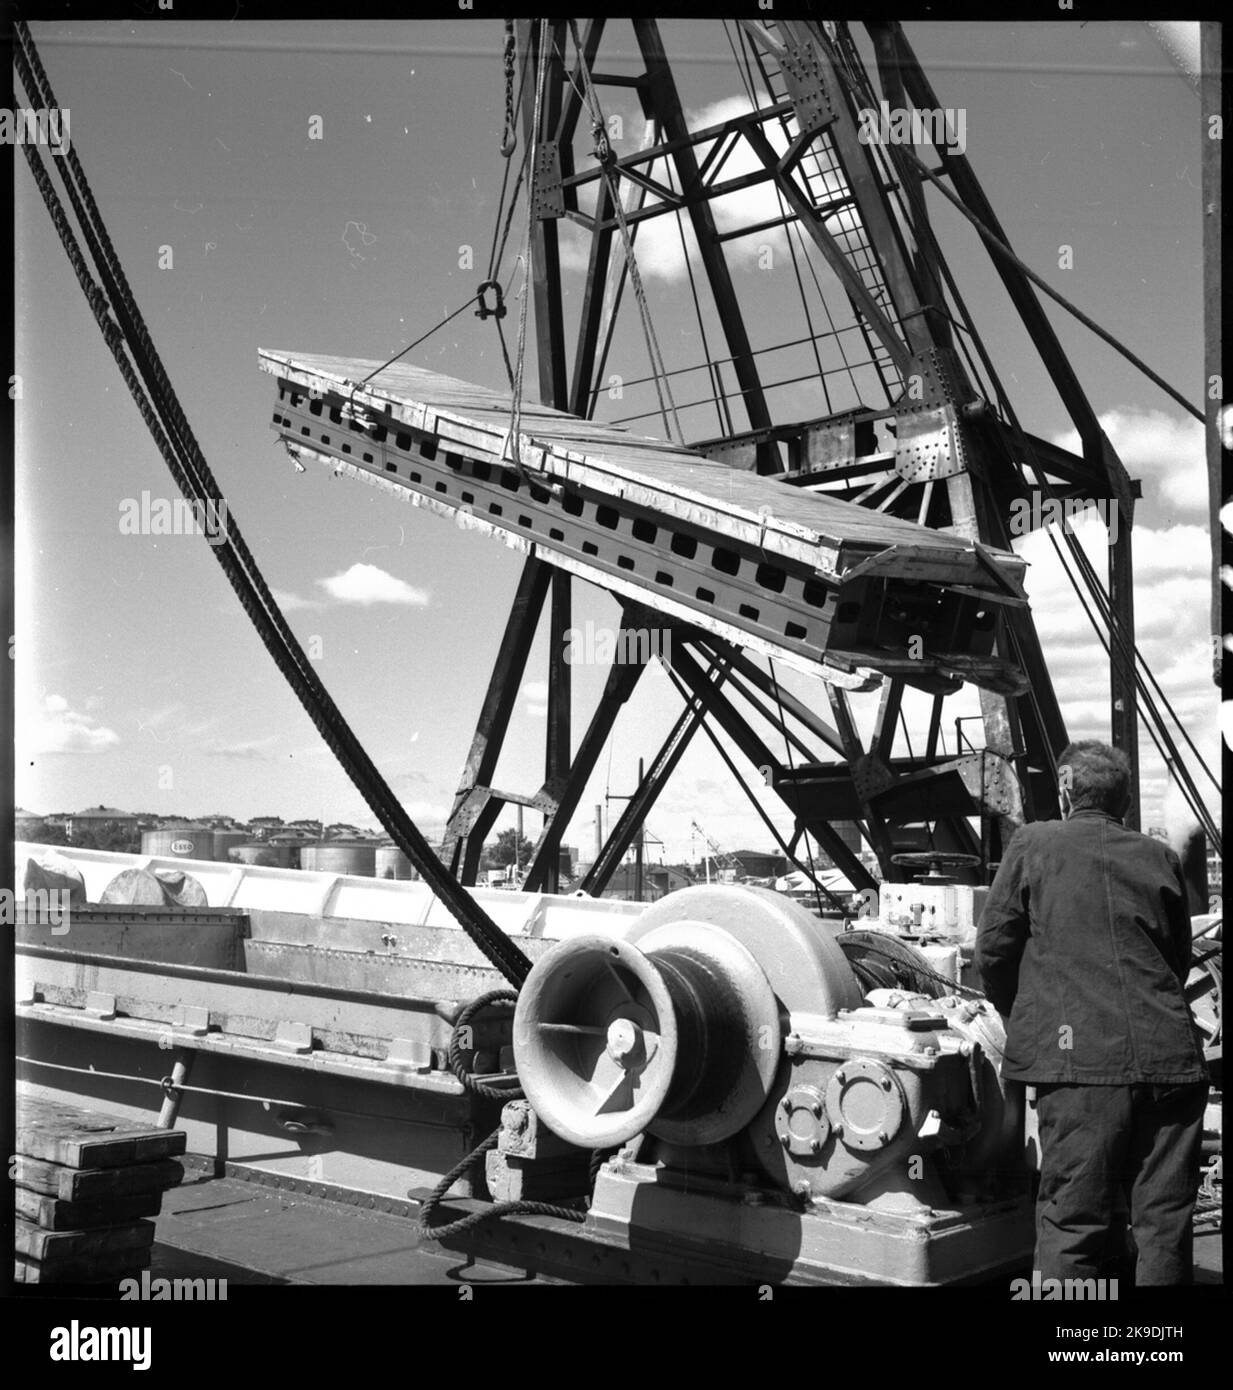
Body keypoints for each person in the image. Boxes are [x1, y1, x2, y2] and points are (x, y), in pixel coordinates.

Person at [975, 740, 1208, 1285]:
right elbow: (1176, 961)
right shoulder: (1160, 858)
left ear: (1063, 790)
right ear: (1124, 802)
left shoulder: (1034, 843)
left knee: (1072, 1222)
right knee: (1164, 1225)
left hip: (1079, 1064)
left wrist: (1031, 1017)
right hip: (1171, 1059)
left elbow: (992, 952)